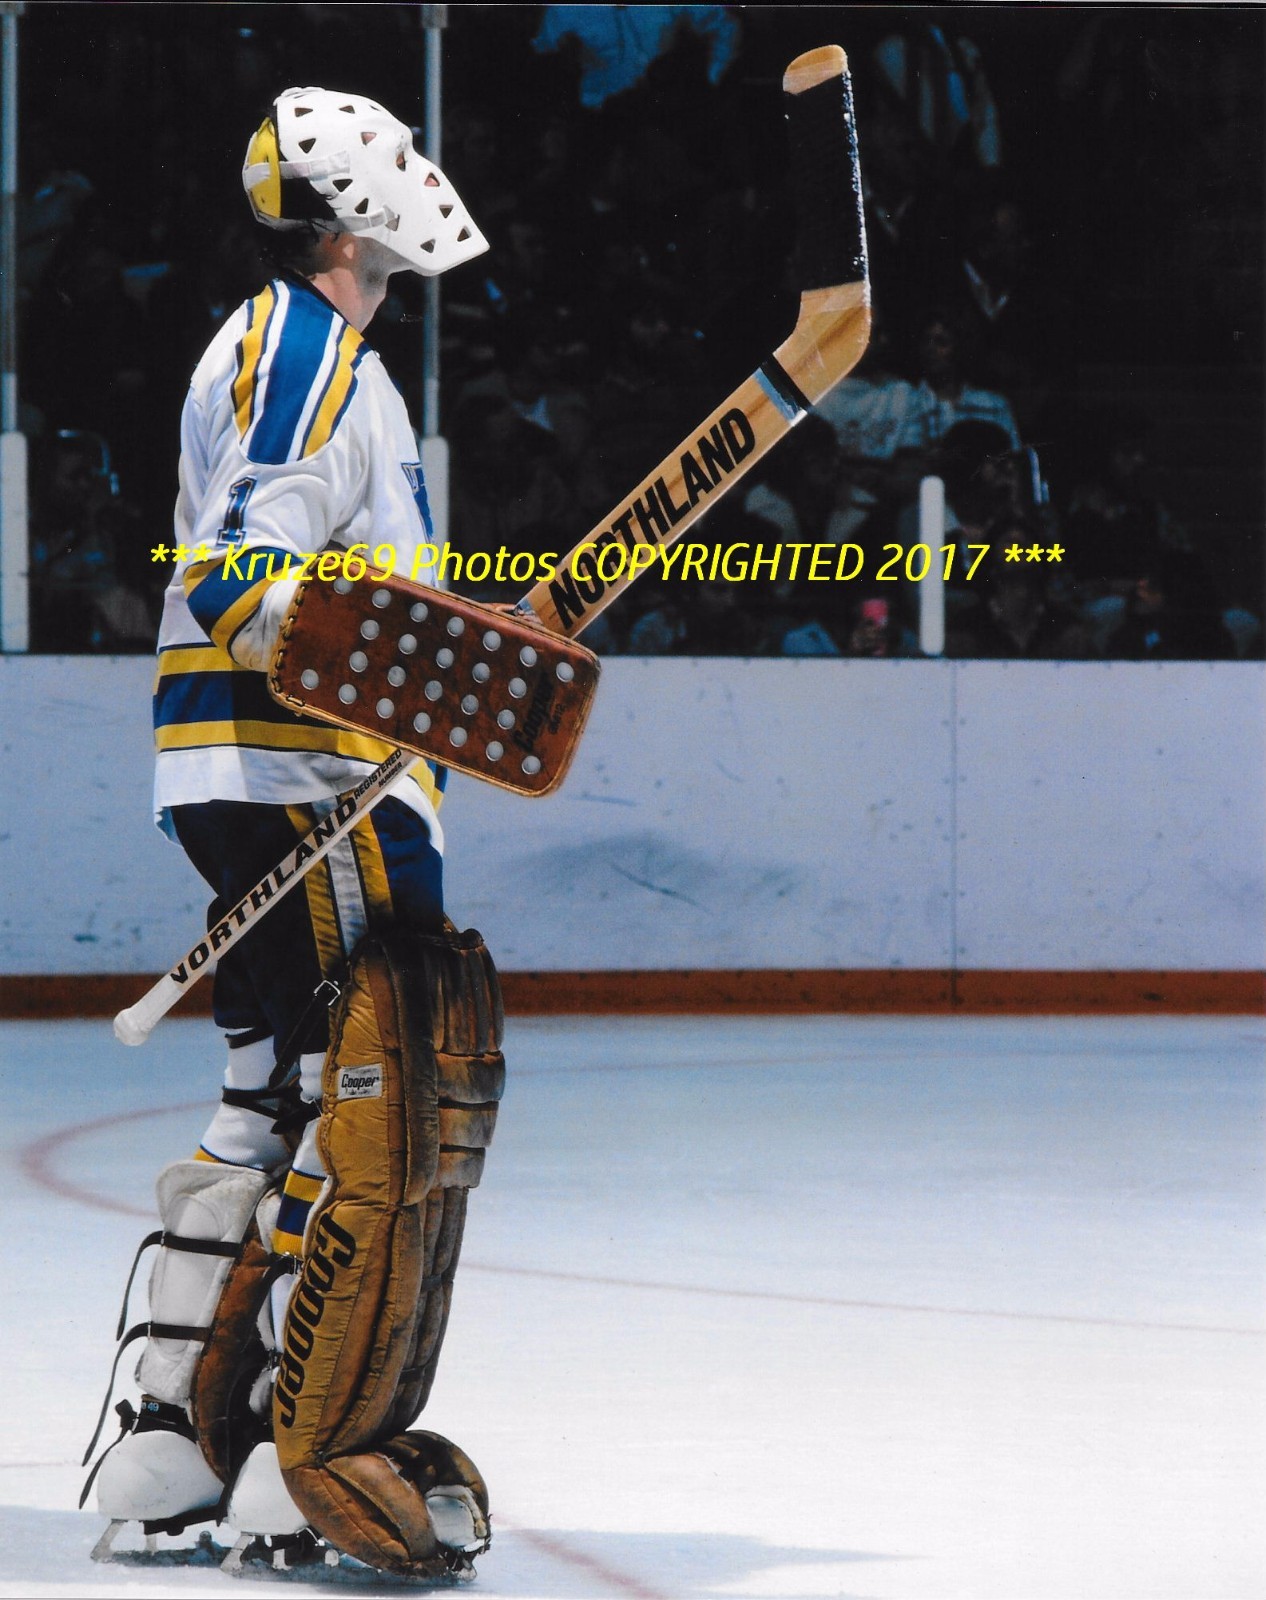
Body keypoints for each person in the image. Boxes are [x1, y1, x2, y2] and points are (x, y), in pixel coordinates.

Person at [84, 88, 502, 1578]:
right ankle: (300, 1461)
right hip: (310, 772)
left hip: (238, 767)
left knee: (274, 1083)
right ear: (346, 208)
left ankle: (175, 1450)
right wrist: (408, 686)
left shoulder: (293, 345)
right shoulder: (308, 354)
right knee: (383, 1085)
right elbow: (241, 566)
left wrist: (449, 647)